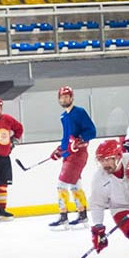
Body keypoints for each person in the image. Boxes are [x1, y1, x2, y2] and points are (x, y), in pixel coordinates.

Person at [49, 86, 96, 230]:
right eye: (62, 97)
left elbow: (91, 131)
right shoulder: (64, 116)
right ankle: (82, 215)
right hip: (69, 154)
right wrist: (59, 150)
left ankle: (63, 216)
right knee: (75, 184)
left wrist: (80, 139)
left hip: (78, 155)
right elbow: (66, 138)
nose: (64, 99)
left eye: (67, 96)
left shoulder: (79, 112)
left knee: (61, 184)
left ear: (72, 97)